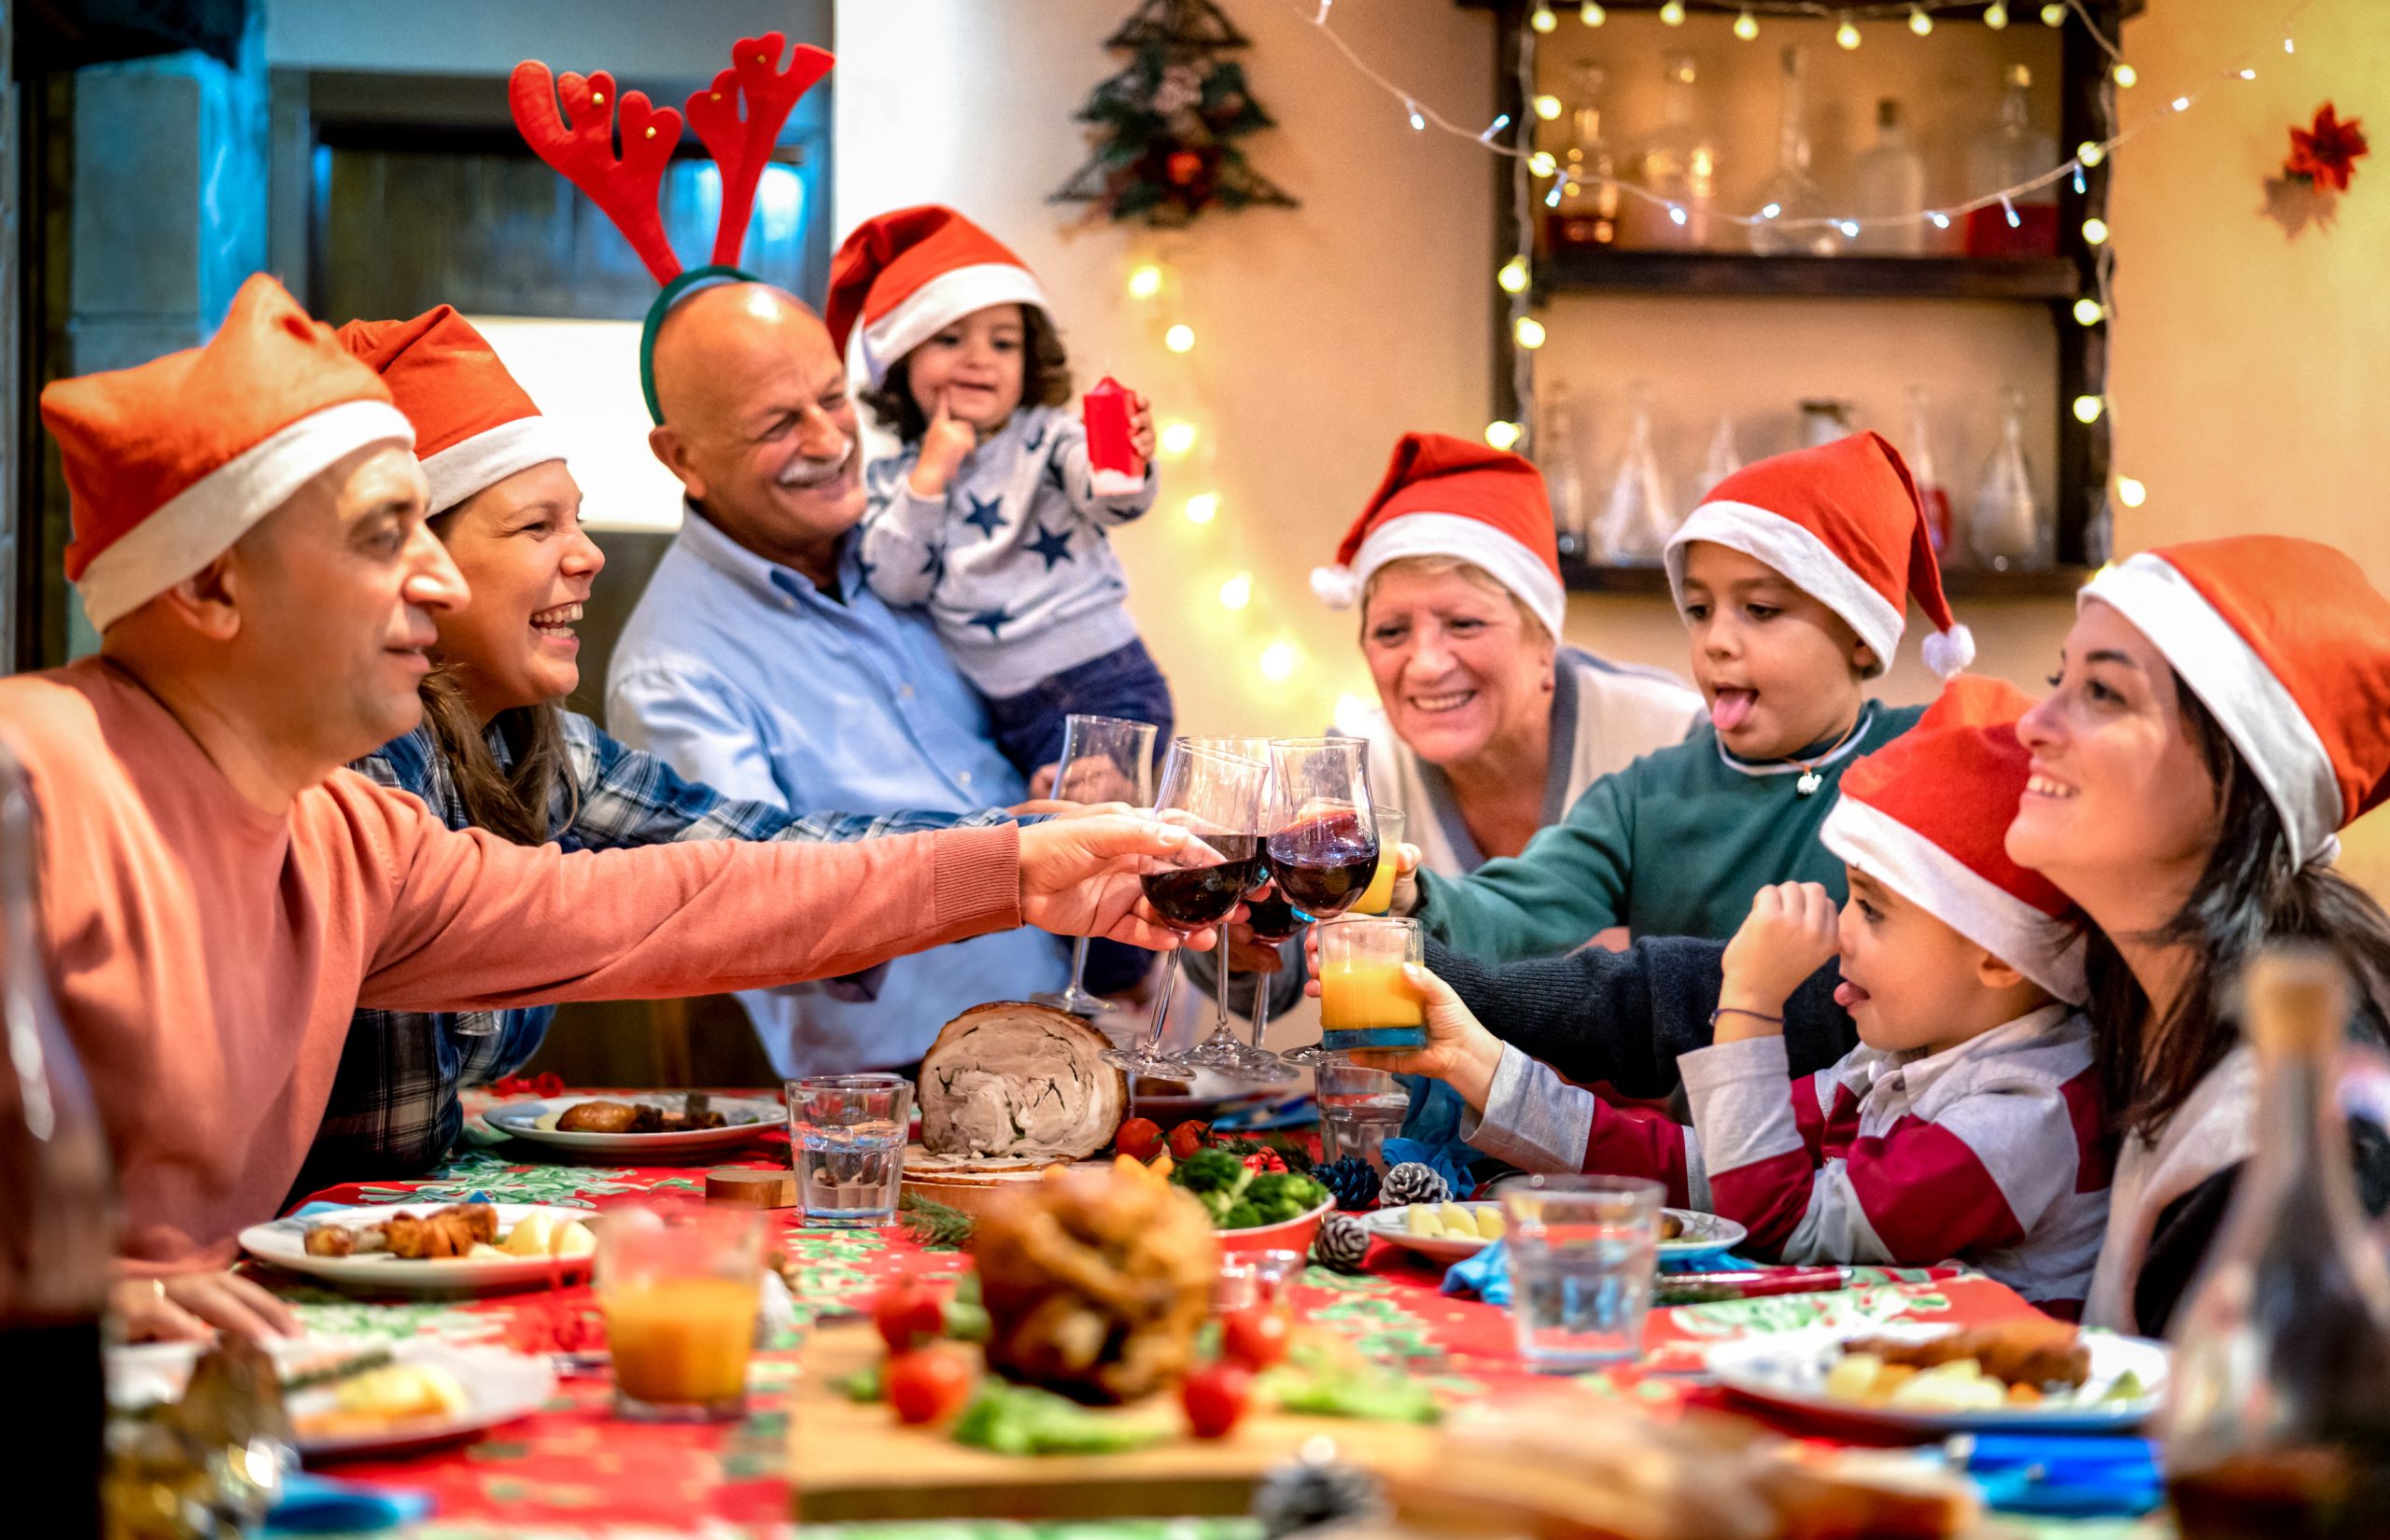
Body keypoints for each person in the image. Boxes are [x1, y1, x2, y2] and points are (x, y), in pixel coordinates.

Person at [8, 274, 1204, 1341]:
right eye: (386, 538)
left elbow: (681, 896)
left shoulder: (342, 840)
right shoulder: (36, 778)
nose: (432, 579)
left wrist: (1017, 863)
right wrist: (68, 1290)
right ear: (213, 585)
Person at [300, 306, 1020, 1187]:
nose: (590, 556)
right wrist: (1018, 860)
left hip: (389, 1230)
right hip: (281, 1250)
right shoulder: (361, 756)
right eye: (537, 527)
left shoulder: (543, 748)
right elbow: (697, 903)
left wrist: (1023, 840)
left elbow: (754, 850)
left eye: (578, 520)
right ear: (416, 568)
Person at [1359, 677, 2109, 1314]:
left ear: (1998, 957)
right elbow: (1711, 1168)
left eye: (1871, 910)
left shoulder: (2021, 1113)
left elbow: (1784, 1223)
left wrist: (1748, 1005)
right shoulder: (1906, 1058)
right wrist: (1479, 1064)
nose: (1841, 934)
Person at [609, 280, 1079, 1076]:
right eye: (778, 424)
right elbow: (774, 917)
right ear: (682, 456)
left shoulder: (926, 535)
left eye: (833, 398)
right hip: (901, 1101)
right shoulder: (671, 672)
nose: (830, 441)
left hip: (1093, 1019)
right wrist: (1012, 862)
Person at [2009, 537, 2390, 1333]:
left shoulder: (2292, 1118)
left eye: (2104, 693)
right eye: (2058, 680)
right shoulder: (2129, 990)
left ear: (2245, 778)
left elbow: (2268, 1447)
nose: (2033, 724)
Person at [1406, 432, 1971, 968]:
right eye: (1700, 610)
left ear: (1861, 639)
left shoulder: (1927, 758)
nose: (1716, 642)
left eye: (1762, 610)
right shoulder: (1645, 798)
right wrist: (1412, 896)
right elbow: (1519, 906)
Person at [1196, 432, 1703, 1028]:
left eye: (1463, 623)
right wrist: (1231, 933)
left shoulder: (1672, 738)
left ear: (1544, 644)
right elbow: (1269, 988)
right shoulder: (1359, 765)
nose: (1427, 664)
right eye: (1391, 632)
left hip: (1644, 1120)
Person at [826, 205, 1173, 781]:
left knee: (1102, 822)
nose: (980, 358)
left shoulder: (1048, 436)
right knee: (1064, 842)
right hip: (1004, 712)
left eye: (1004, 342)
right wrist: (930, 476)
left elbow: (1112, 497)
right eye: (950, 338)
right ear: (901, 359)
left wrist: (1126, 458)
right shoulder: (894, 481)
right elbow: (897, 581)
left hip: (1107, 680)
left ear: (1028, 359)